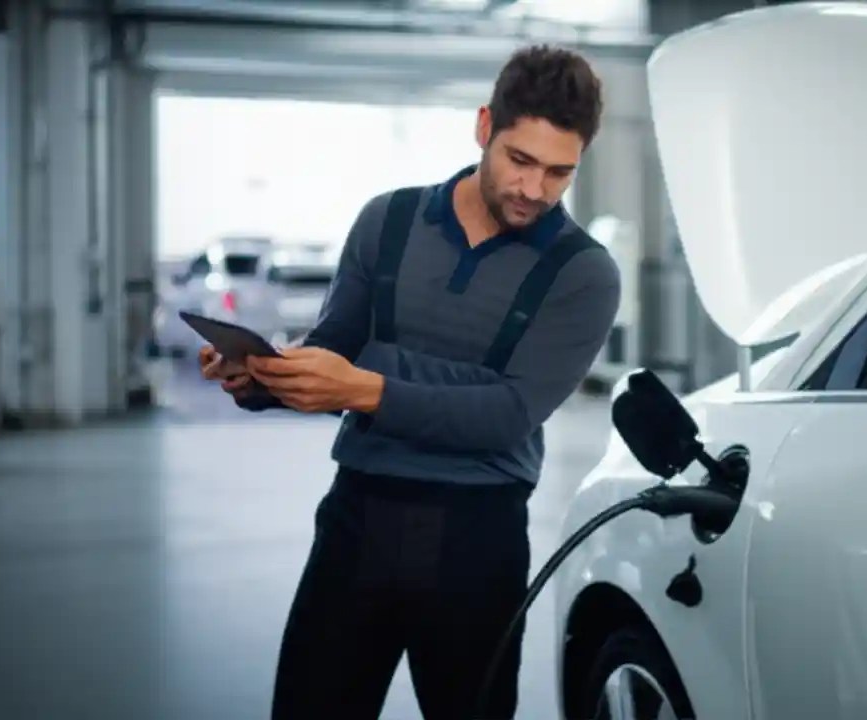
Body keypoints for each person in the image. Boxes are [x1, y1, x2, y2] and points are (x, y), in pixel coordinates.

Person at [198, 44, 618, 719]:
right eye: (520, 160)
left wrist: (363, 386)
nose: (534, 190)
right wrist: (260, 377)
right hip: (358, 519)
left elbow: (507, 413)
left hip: (478, 537)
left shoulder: (584, 274)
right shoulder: (386, 222)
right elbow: (334, 350)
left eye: (559, 173)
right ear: (484, 127)